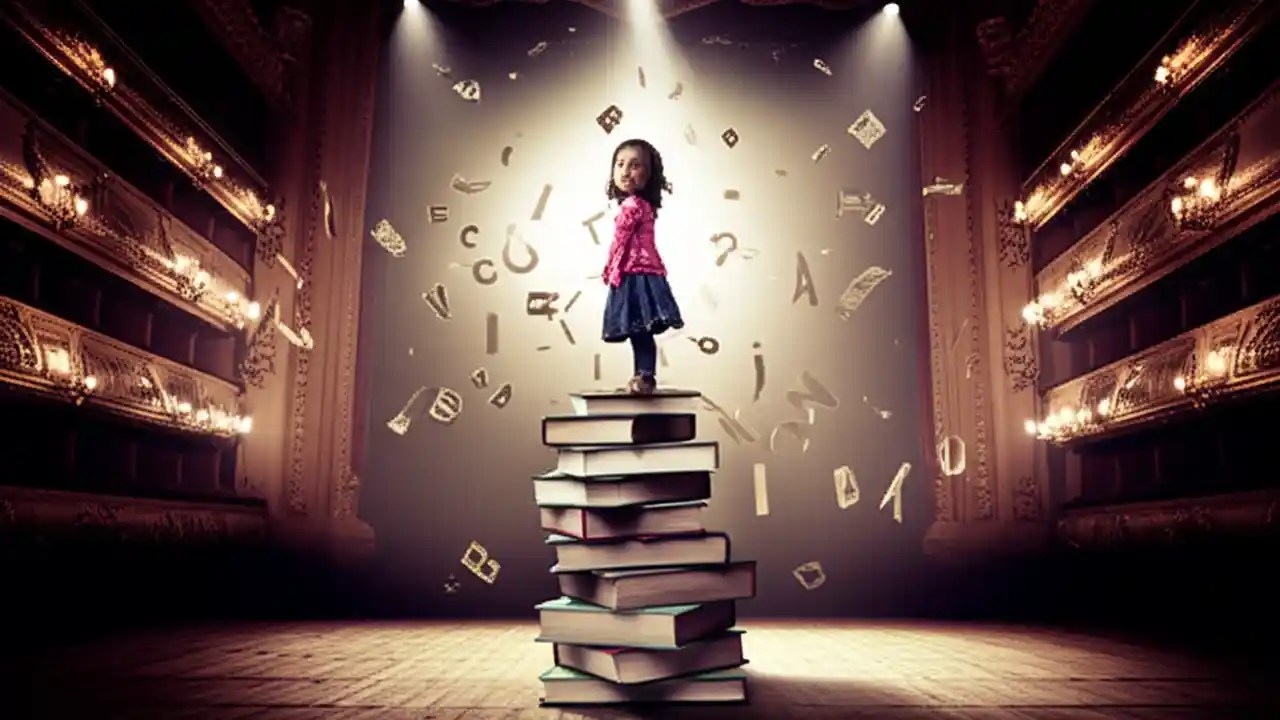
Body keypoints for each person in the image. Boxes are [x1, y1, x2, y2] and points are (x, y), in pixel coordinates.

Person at [600, 138, 684, 394]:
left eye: (635, 165)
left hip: (637, 274)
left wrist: (610, 268)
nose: (625, 171)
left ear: (649, 174)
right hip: (641, 271)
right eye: (620, 164)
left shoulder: (633, 206)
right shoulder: (642, 206)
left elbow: (621, 241)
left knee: (640, 328)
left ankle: (645, 375)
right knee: (640, 330)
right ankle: (643, 375)